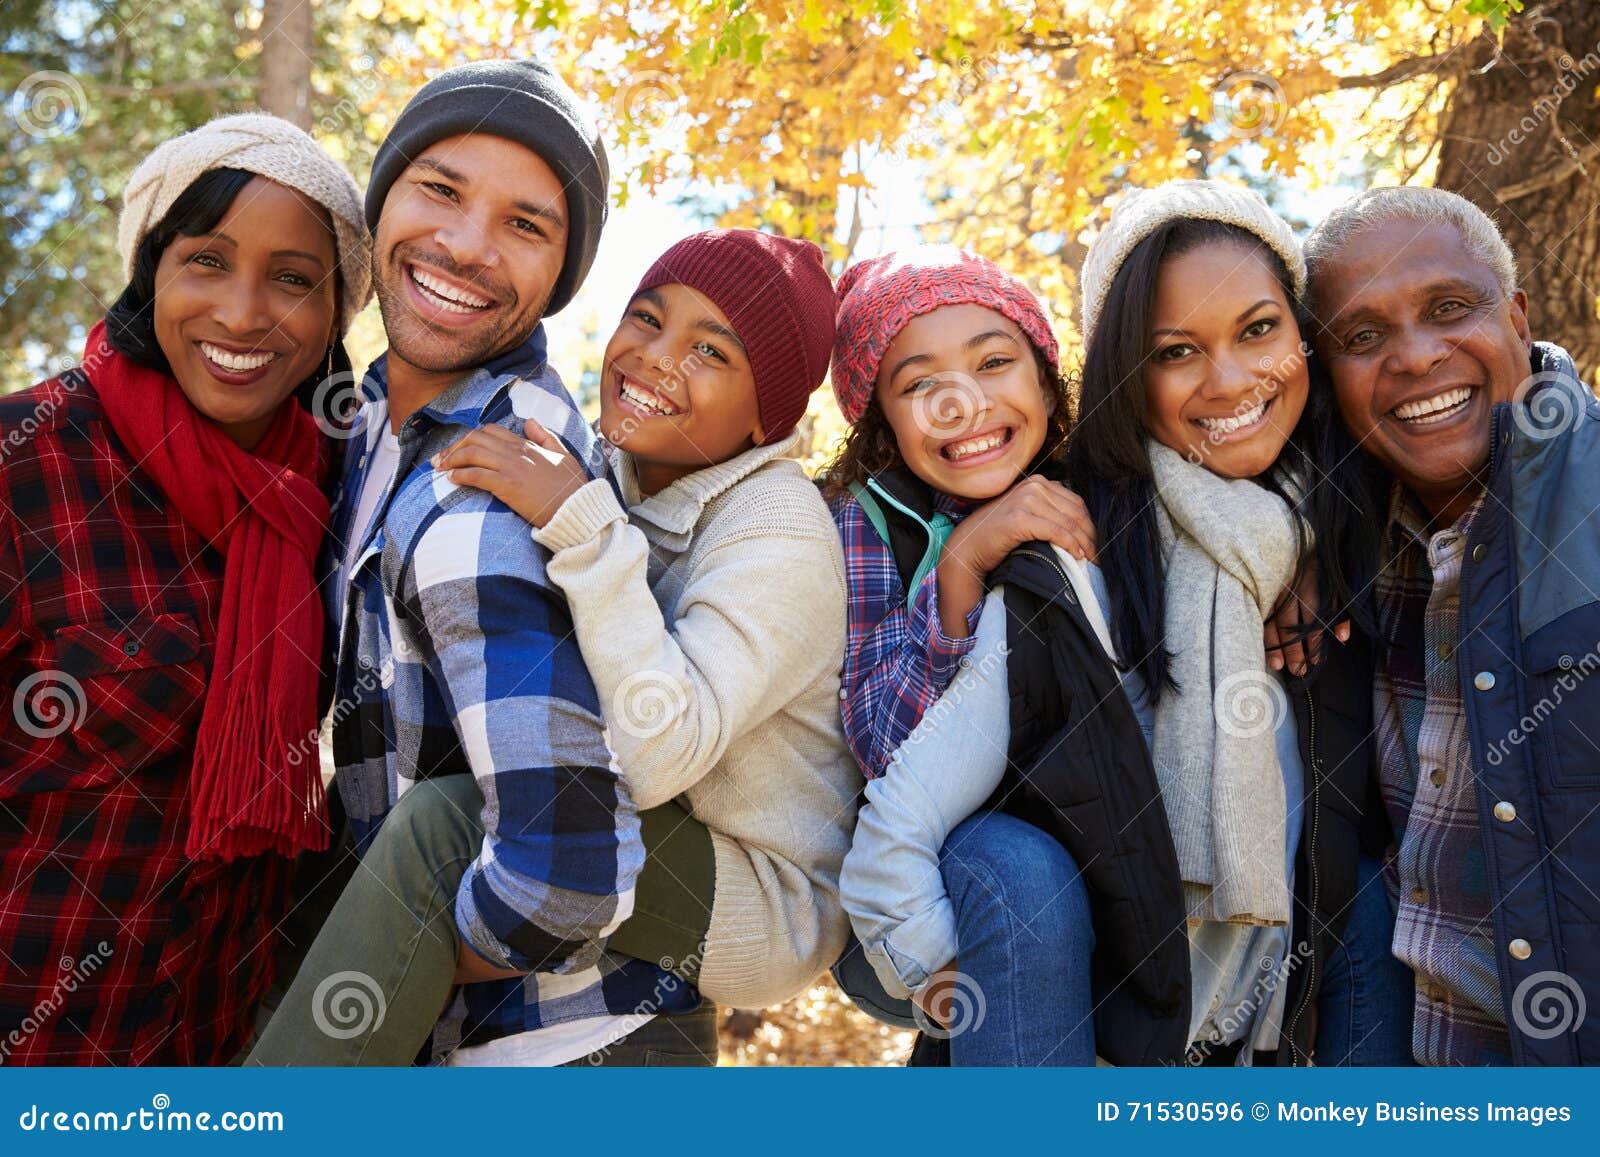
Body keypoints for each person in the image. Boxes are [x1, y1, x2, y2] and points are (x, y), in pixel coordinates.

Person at [251, 228, 863, 1066]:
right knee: (341, 862)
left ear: (768, 415)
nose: (655, 358)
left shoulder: (779, 525)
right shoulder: (613, 468)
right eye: (647, 317)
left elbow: (655, 754)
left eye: (710, 351)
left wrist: (584, 525)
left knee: (445, 823)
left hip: (756, 892)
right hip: (654, 834)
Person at [837, 183, 1414, 1067]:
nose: (1228, 378)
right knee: (1012, 862)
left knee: (1366, 896)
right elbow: (898, 808)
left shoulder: (1353, 517)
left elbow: (1478, 390)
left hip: (1267, 1025)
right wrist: (961, 988)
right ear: (1123, 378)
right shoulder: (1069, 559)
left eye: (1258, 329)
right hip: (1085, 1020)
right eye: (1177, 350)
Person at [246, 57, 715, 1068]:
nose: (466, 246)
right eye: (440, 191)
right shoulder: (366, 423)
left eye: (525, 224)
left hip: (564, 1050)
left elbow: (564, 876)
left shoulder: (482, 493)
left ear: (559, 274)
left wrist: (374, 980)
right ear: (380, 206)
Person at [0, 113, 370, 1064]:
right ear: (151, 273)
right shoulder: (30, 456)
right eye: (207, 260)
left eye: (294, 279)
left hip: (215, 1048)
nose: (245, 314)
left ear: (336, 313)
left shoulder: (339, 493)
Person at [1304, 186, 1600, 1066]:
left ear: (1514, 314)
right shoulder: (1352, 547)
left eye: (1448, 309)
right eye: (1362, 338)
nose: (1416, 355)